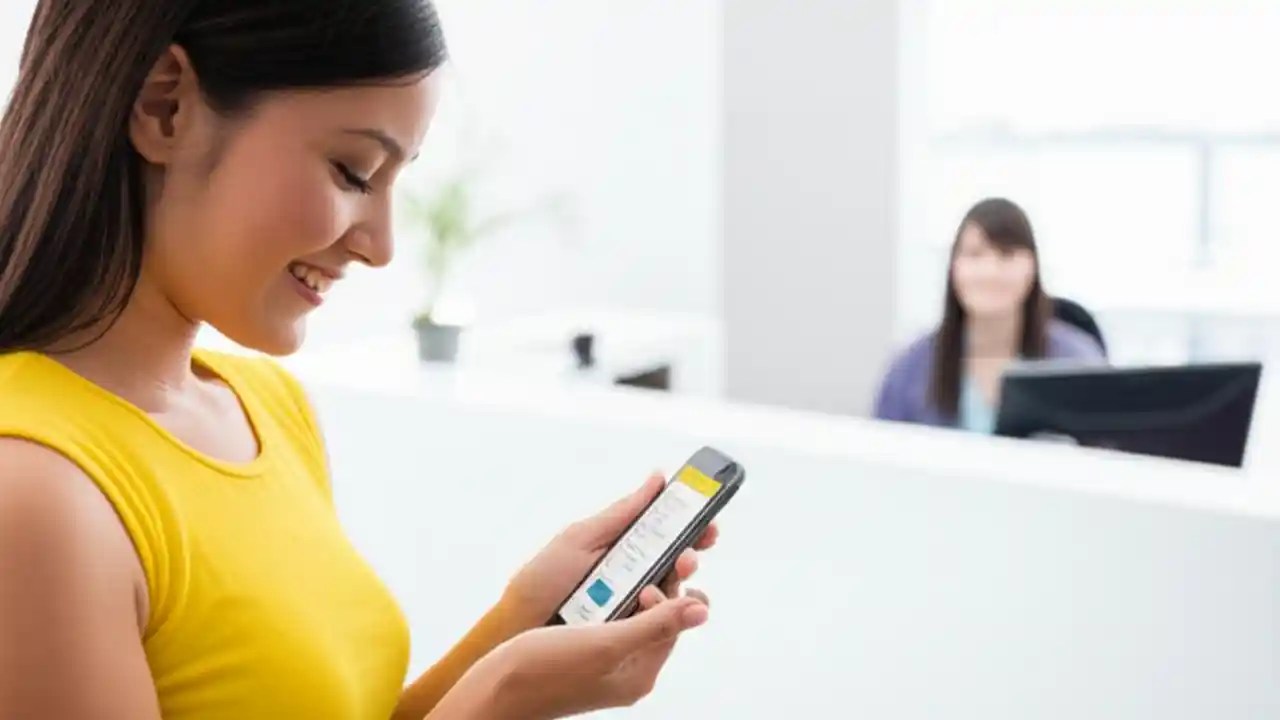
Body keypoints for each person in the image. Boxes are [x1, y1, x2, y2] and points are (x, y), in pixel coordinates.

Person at [0, 3, 717, 719]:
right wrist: (499, 699)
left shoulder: (266, 408)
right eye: (353, 172)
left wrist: (518, 624)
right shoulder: (35, 496)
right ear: (166, 106)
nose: (381, 245)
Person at [874, 198, 1104, 432]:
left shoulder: (1078, 361)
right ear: (953, 267)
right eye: (974, 254)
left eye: (1007, 255)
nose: (990, 272)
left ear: (1033, 267)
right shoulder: (909, 370)